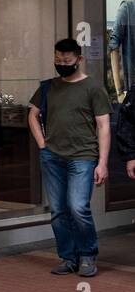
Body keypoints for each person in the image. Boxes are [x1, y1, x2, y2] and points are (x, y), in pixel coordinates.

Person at [29, 38, 109, 277]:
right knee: (58, 211)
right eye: (57, 60)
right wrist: (43, 144)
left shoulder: (94, 88)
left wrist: (102, 163)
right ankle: (68, 257)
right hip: (52, 157)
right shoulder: (48, 87)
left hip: (83, 157)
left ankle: (87, 254)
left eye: (66, 60)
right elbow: (33, 114)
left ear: (79, 60)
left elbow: (103, 125)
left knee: (78, 207)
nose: (61, 64)